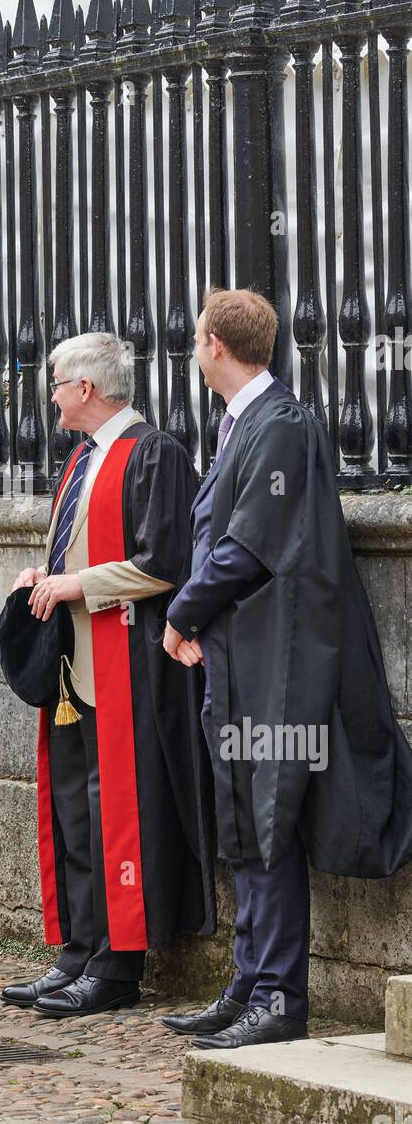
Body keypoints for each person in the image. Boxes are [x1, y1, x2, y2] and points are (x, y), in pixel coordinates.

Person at [161, 288, 412, 1050]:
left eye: (197, 338)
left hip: (280, 669)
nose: (192, 351)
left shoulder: (279, 425)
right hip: (245, 659)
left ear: (214, 344)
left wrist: (182, 615)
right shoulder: (248, 424)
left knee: (268, 817)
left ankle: (279, 997)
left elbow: (246, 546)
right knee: (245, 817)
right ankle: (248, 982)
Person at [0, 332, 216, 1018]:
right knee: (74, 814)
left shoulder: (155, 452)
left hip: (128, 667)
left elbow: (164, 564)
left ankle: (118, 967)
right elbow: (81, 548)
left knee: (119, 816)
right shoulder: (82, 460)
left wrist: (75, 585)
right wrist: (45, 577)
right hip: (72, 667)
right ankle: (77, 953)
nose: (52, 395)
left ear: (86, 389)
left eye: (57, 383)